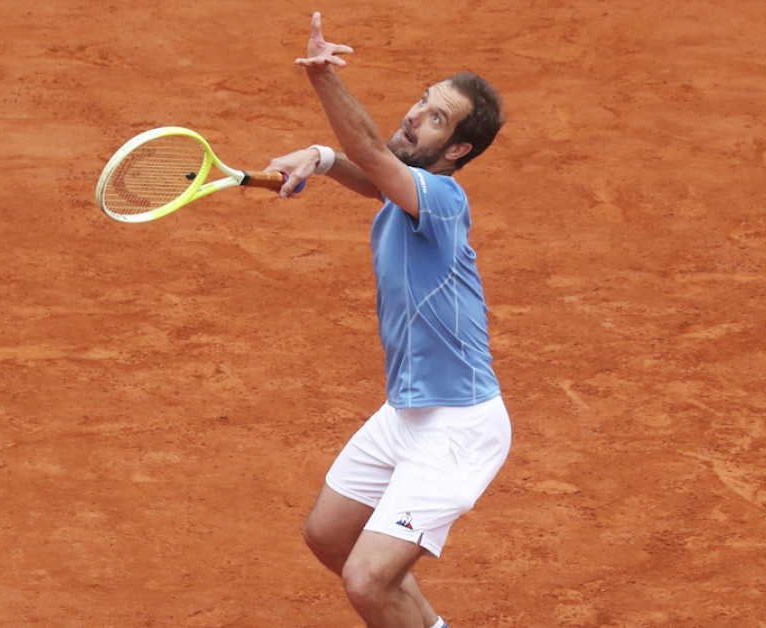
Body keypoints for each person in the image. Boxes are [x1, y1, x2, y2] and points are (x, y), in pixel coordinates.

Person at [265, 13, 510, 628]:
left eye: (436, 118)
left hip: (457, 427)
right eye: (423, 100)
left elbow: (371, 155)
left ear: (457, 150)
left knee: (369, 580)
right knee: (328, 536)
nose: (415, 114)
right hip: (405, 412)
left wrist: (323, 77)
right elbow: (375, 178)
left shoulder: (444, 198)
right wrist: (321, 158)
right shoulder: (412, 190)